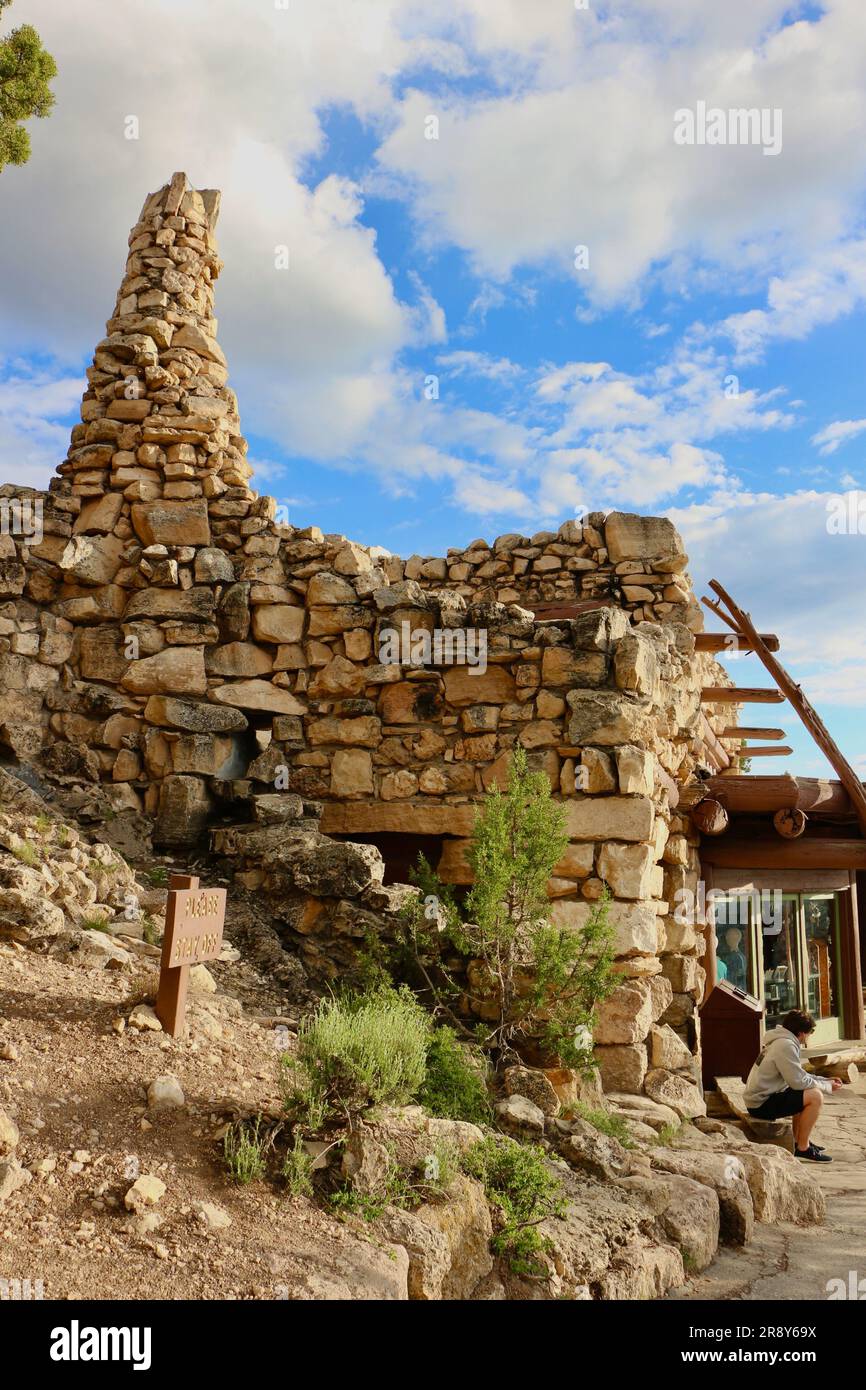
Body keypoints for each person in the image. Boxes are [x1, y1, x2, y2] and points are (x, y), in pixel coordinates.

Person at [743, 1008, 841, 1161]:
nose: (810, 1036)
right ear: (801, 1033)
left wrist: (824, 1080)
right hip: (760, 1104)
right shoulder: (786, 1045)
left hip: (760, 1099)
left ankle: (798, 1141)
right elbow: (797, 1081)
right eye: (811, 1032)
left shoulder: (781, 1040)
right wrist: (826, 1087)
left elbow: (798, 1075)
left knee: (804, 1091)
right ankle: (803, 1148)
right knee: (815, 1096)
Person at [717, 926, 747, 991]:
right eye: (727, 935)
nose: (727, 938)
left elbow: (738, 977)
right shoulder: (732, 955)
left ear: (737, 938)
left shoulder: (738, 957)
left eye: (730, 935)